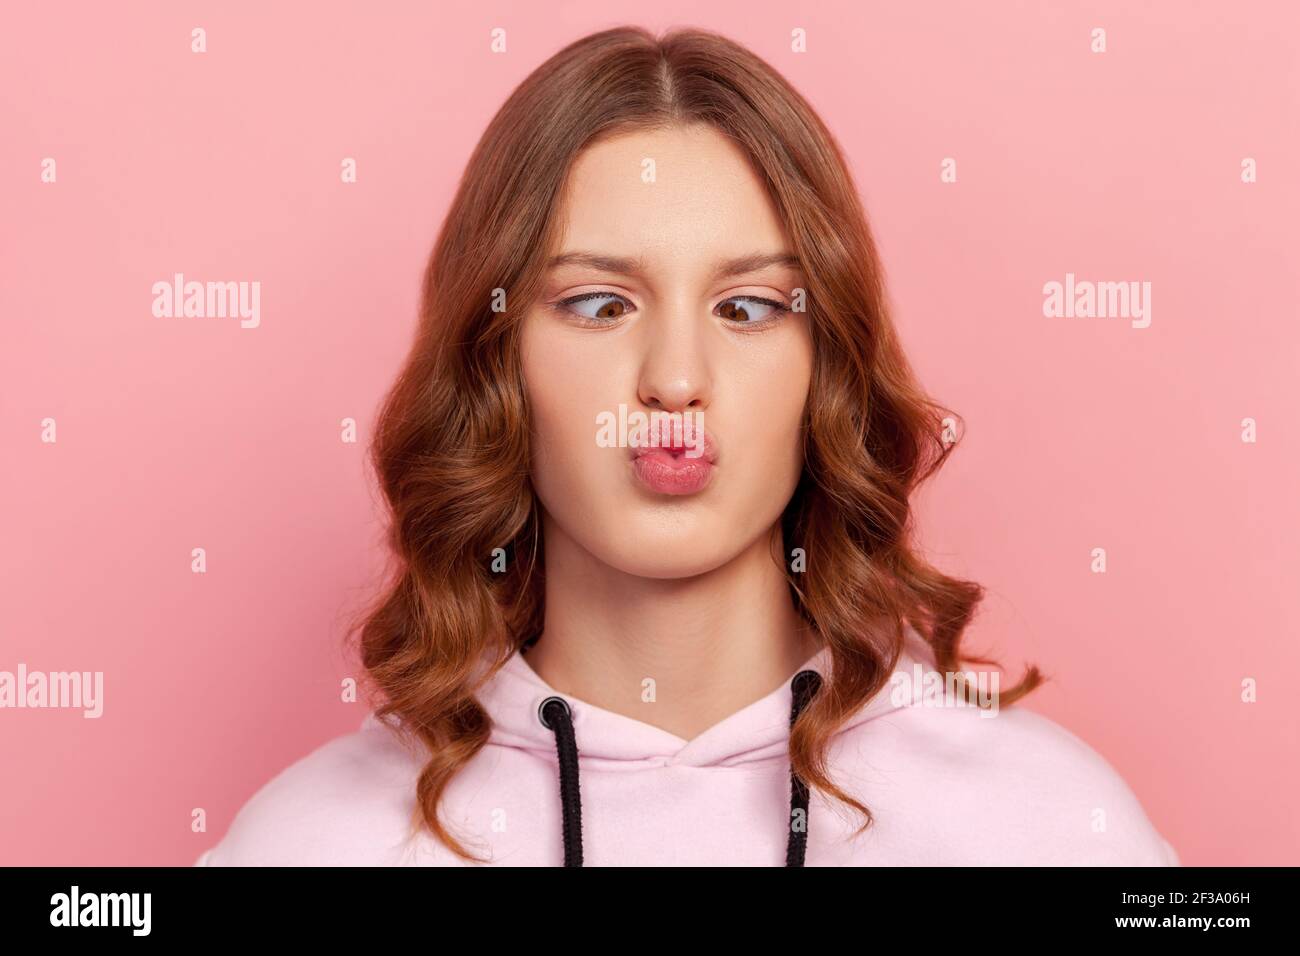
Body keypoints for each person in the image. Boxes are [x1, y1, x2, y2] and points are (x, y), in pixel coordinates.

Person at [195, 25, 1179, 867]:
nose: (673, 377)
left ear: (824, 363)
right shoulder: (313, 842)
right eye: (598, 303)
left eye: (746, 306)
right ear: (497, 359)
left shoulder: (1050, 828)